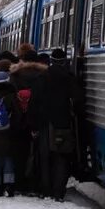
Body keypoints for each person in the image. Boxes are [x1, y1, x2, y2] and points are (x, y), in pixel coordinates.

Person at [33, 48, 78, 200]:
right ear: (65, 61)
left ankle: (46, 189)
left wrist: (34, 124)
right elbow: (77, 99)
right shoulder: (69, 77)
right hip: (63, 122)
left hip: (45, 122)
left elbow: (35, 102)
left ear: (51, 61)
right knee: (61, 157)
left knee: (45, 156)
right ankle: (58, 191)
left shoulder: (42, 77)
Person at [11, 49, 47, 195]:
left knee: (19, 152)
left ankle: (19, 182)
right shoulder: (44, 75)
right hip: (38, 119)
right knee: (37, 153)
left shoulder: (14, 75)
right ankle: (35, 183)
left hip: (19, 120)